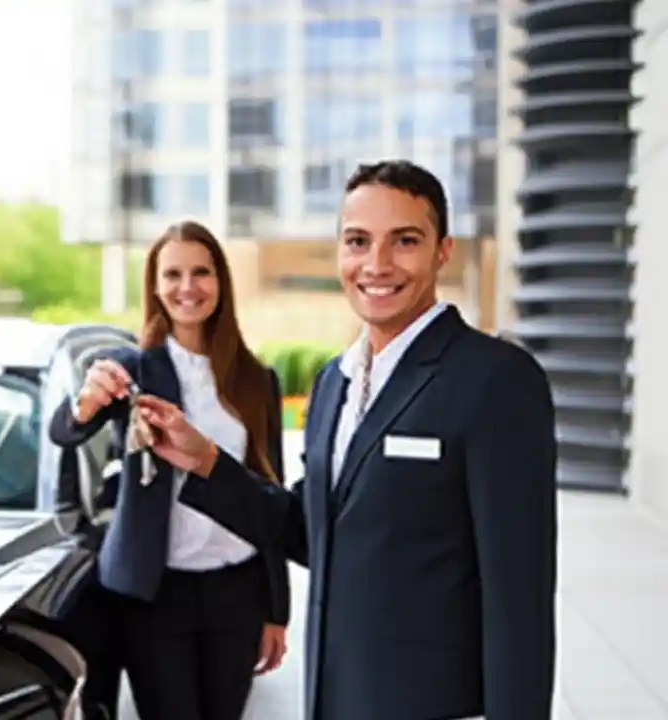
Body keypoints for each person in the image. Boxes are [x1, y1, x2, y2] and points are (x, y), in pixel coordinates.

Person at [135, 160, 558, 720]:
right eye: (358, 241)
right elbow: (317, 533)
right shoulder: (334, 383)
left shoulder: (495, 380)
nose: (377, 264)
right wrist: (205, 460)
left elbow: (519, 599)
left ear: (442, 251)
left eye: (404, 241)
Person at [49, 220, 290, 719]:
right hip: (157, 595)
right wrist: (85, 402)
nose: (187, 287)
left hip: (237, 593)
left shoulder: (255, 379)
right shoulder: (131, 370)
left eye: (201, 272)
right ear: (155, 286)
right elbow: (65, 434)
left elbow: (271, 496)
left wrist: (275, 611)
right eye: (172, 274)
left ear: (221, 282)